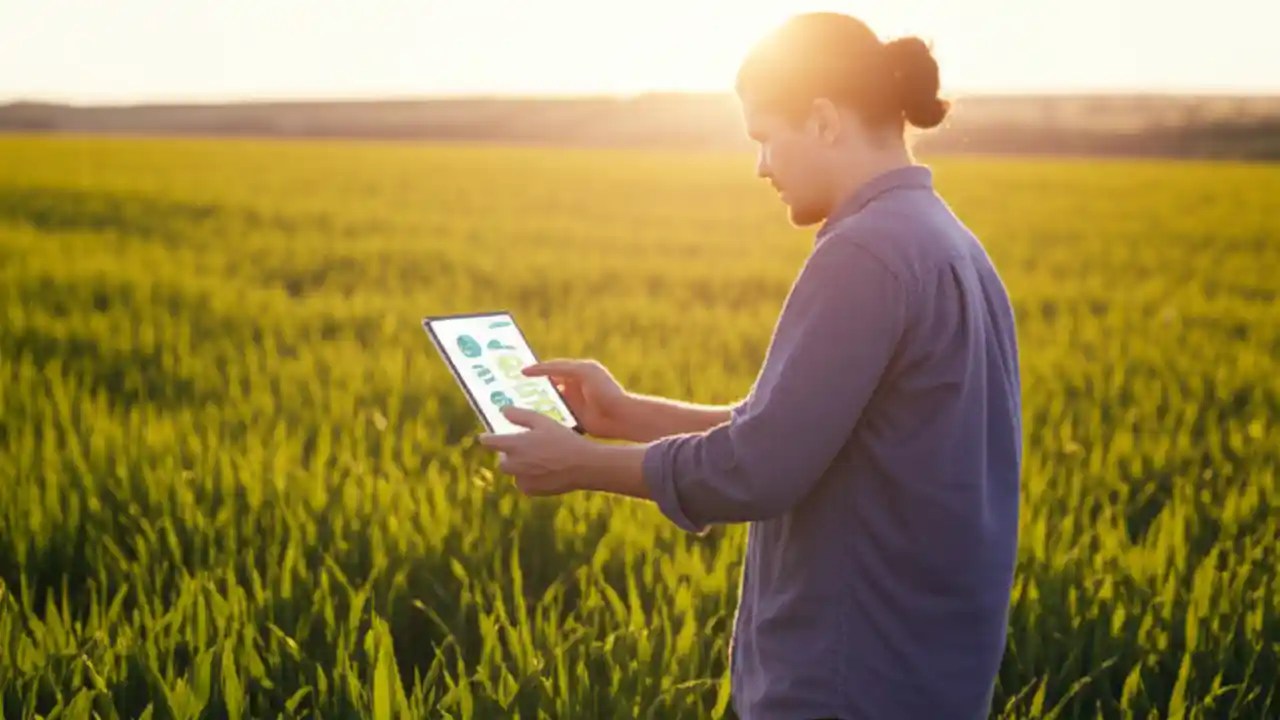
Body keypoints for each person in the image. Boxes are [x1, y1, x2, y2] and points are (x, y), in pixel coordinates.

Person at [477, 12, 1021, 720]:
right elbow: (813, 436)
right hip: (926, 675)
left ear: (824, 121)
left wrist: (578, 466)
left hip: (845, 684)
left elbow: (759, 467)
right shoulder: (950, 245)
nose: (761, 166)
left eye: (765, 137)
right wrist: (624, 415)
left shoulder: (864, 254)